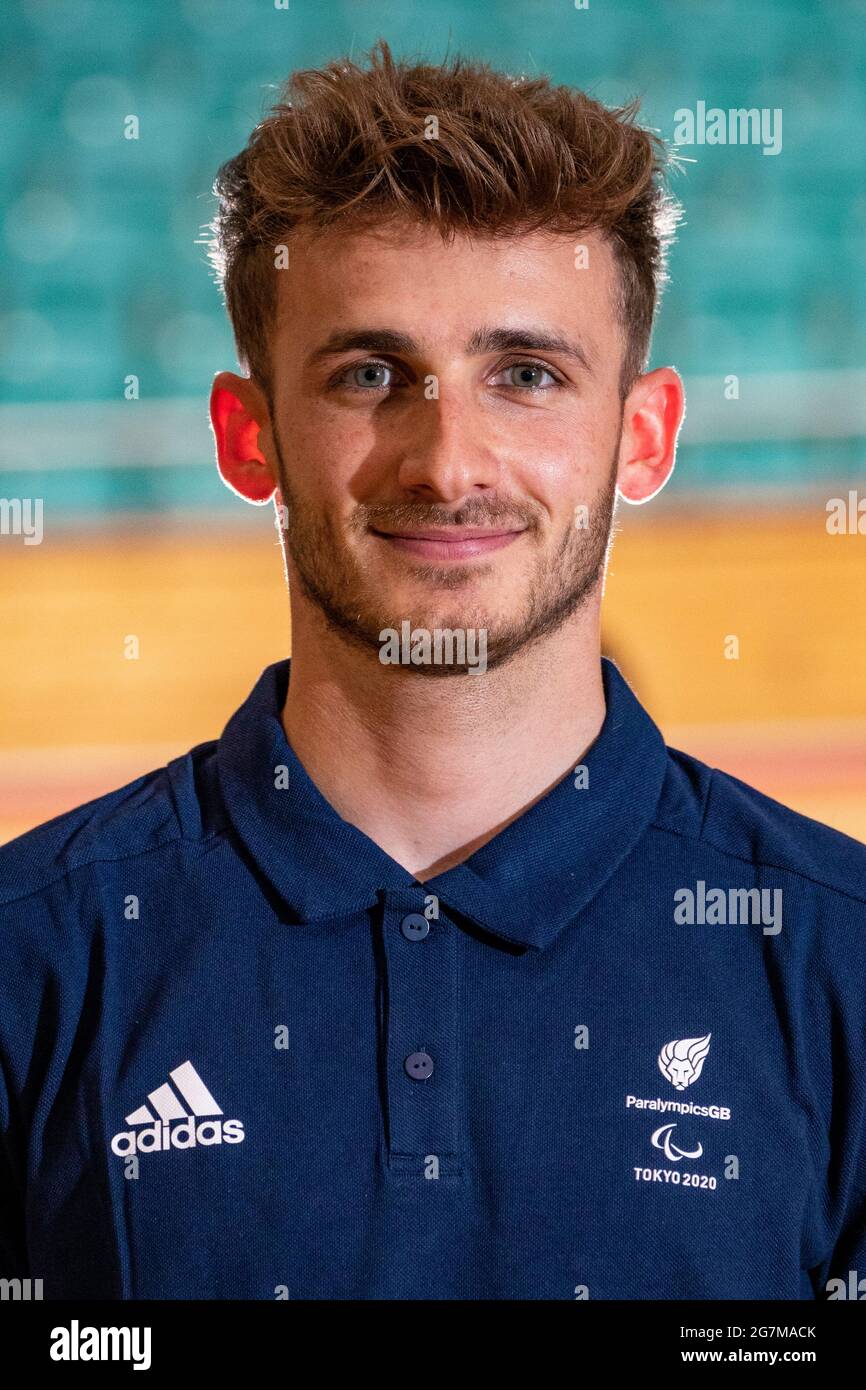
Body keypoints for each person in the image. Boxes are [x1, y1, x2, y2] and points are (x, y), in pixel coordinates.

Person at [1, 40, 865, 1302]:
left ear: (643, 434)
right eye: (369, 374)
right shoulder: (37, 955)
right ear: (249, 437)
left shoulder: (836, 956)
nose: (447, 461)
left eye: (524, 375)